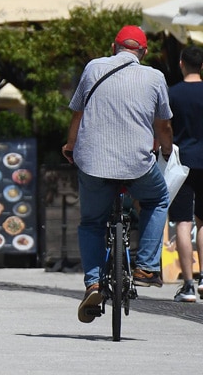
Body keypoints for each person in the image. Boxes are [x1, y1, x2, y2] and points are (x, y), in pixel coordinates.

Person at [63, 25, 172, 323]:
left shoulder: (93, 67)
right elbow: (163, 126)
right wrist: (165, 151)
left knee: (91, 223)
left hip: (93, 162)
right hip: (137, 163)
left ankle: (94, 282)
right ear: (144, 52)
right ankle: (147, 266)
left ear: (114, 47)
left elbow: (78, 113)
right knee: (157, 200)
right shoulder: (155, 77)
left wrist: (71, 146)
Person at [166, 45, 203, 303]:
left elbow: (165, 126)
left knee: (182, 222)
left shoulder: (172, 93)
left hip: (181, 162)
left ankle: (188, 285)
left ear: (181, 64)